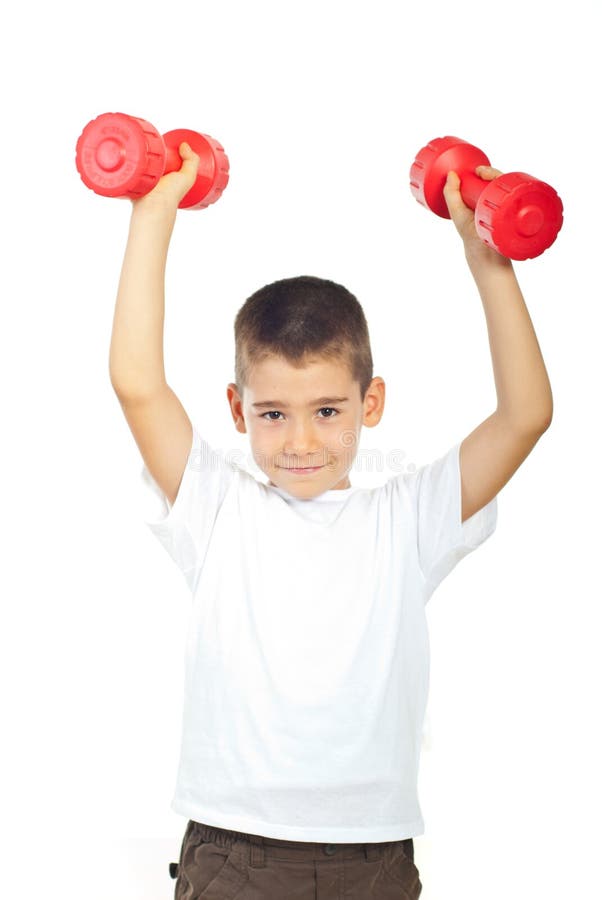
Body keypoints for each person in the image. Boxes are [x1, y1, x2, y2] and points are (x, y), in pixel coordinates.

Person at [109, 142, 553, 899]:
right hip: (234, 849)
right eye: (273, 414)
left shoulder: (410, 517)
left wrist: (489, 263)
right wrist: (151, 213)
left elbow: (525, 417)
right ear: (237, 409)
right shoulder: (217, 509)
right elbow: (138, 385)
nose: (302, 441)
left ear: (369, 405)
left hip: (372, 858)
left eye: (327, 411)